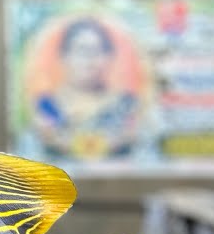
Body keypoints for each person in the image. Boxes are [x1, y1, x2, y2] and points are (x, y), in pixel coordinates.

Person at [34, 17, 139, 160]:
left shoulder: (126, 104)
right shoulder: (46, 106)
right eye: (82, 50)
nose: (90, 59)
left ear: (108, 57)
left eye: (97, 51)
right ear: (64, 56)